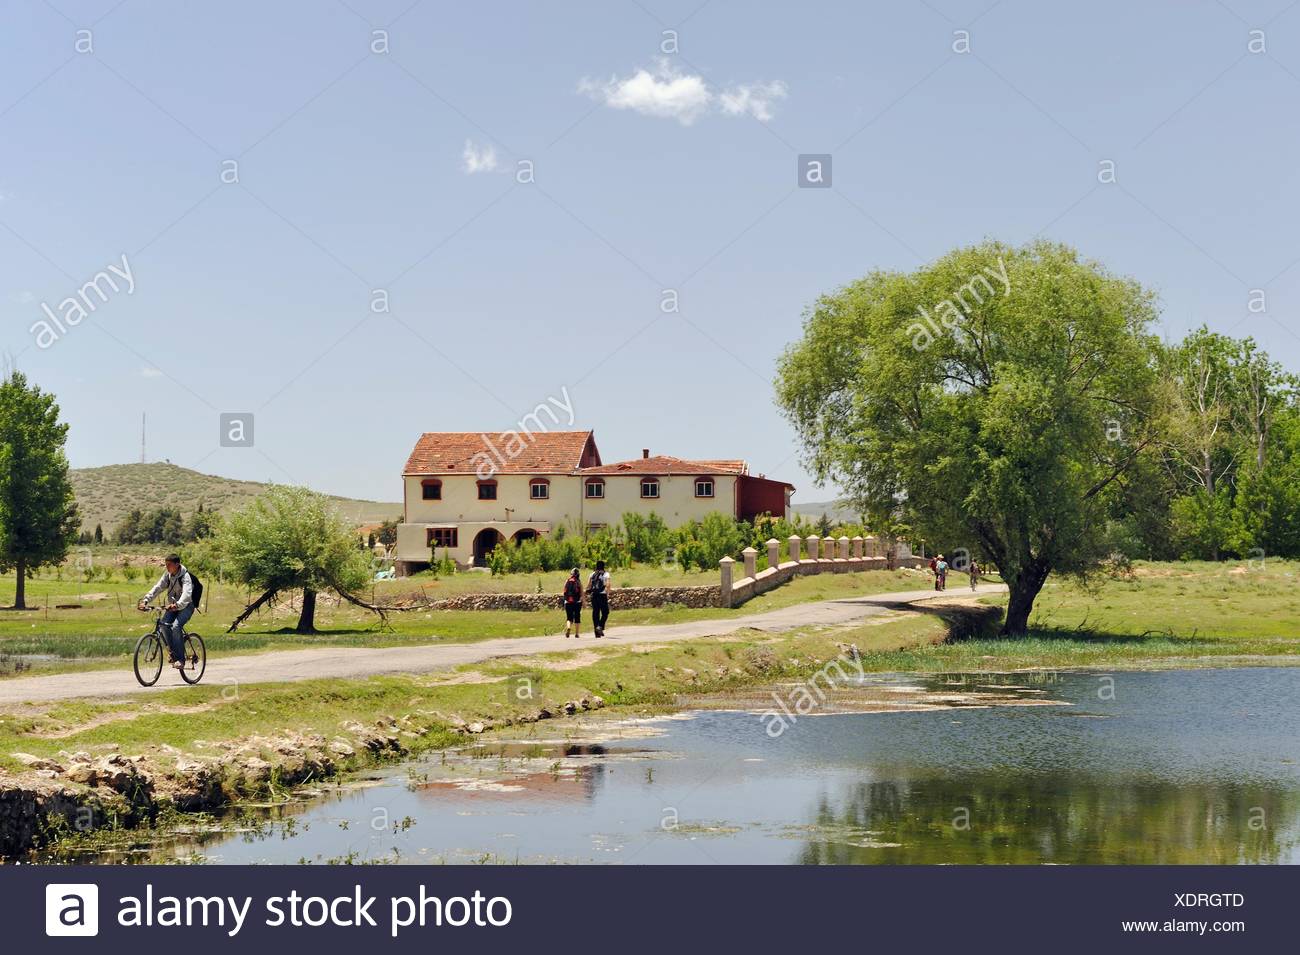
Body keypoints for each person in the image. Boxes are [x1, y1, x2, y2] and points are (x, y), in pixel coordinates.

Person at [138, 553, 194, 668]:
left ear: (177, 564)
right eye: (166, 565)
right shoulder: (168, 575)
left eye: (169, 565)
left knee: (176, 626)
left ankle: (180, 660)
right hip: (173, 606)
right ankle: (173, 653)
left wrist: (177, 605)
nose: (167, 567)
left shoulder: (185, 576)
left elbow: (186, 594)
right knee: (163, 625)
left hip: (187, 606)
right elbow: (158, 587)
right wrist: (145, 601)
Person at [588, 560, 611, 637]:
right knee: (605, 612)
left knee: (595, 613)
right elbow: (608, 585)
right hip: (602, 595)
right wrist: (607, 594)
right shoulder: (606, 574)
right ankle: (600, 626)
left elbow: (589, 586)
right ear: (603, 566)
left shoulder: (592, 574)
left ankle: (597, 633)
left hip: (594, 595)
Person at [562, 567, 583, 638]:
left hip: (568, 602)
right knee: (577, 618)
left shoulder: (567, 580)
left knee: (569, 618)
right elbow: (582, 592)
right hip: (577, 602)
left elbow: (564, 591)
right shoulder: (578, 581)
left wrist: (565, 600)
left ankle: (568, 627)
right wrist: (584, 602)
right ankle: (577, 634)